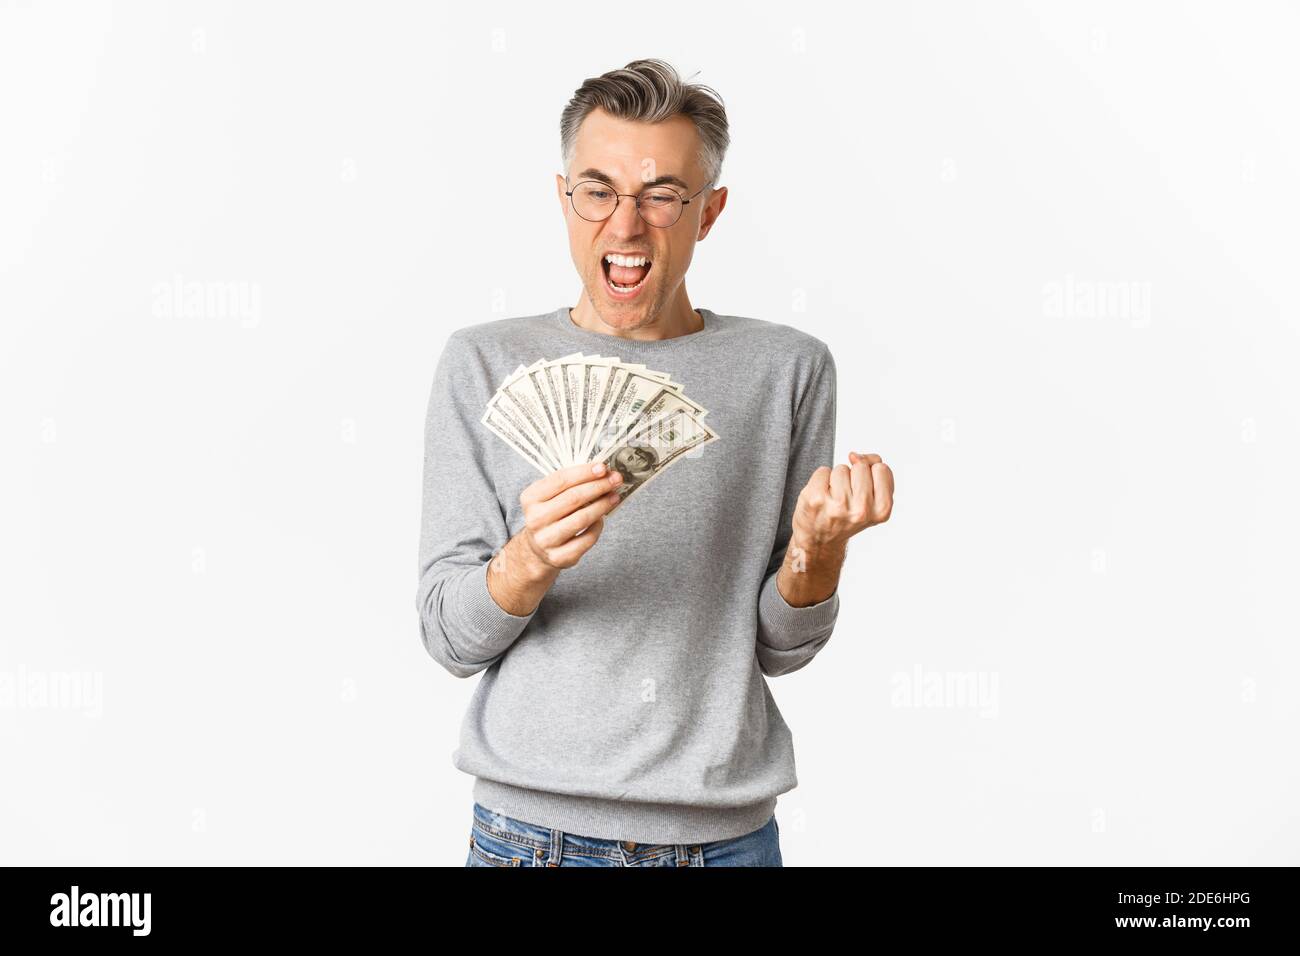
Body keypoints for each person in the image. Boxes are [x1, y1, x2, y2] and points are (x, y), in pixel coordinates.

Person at [416, 58, 894, 867]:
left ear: (708, 212)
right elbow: (448, 637)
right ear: (564, 200)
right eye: (598, 191)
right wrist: (527, 562)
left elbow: (782, 647)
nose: (625, 226)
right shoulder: (483, 362)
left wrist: (820, 549)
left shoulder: (787, 369)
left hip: (724, 840)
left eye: (661, 196)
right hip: (529, 838)